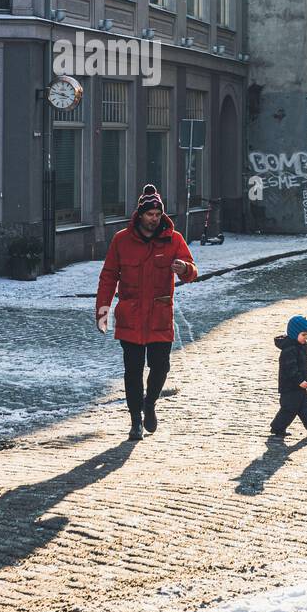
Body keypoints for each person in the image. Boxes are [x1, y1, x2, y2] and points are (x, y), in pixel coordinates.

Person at [95, 183, 198, 441]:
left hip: (160, 316)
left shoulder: (174, 240)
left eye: (157, 215)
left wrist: (184, 268)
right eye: (150, 214)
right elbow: (109, 276)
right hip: (130, 315)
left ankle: (150, 402)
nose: (154, 219)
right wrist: (103, 309)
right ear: (140, 214)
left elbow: (193, 272)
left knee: (161, 367)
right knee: (132, 371)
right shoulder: (121, 240)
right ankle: (134, 421)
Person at [269, 315, 307, 438]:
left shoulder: (299, 346)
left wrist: (303, 381)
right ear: (294, 334)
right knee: (288, 409)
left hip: (299, 385)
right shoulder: (289, 349)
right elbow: (290, 369)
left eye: (306, 335)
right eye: (303, 335)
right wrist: (299, 381)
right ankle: (277, 427)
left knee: (305, 407)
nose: (305, 337)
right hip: (290, 387)